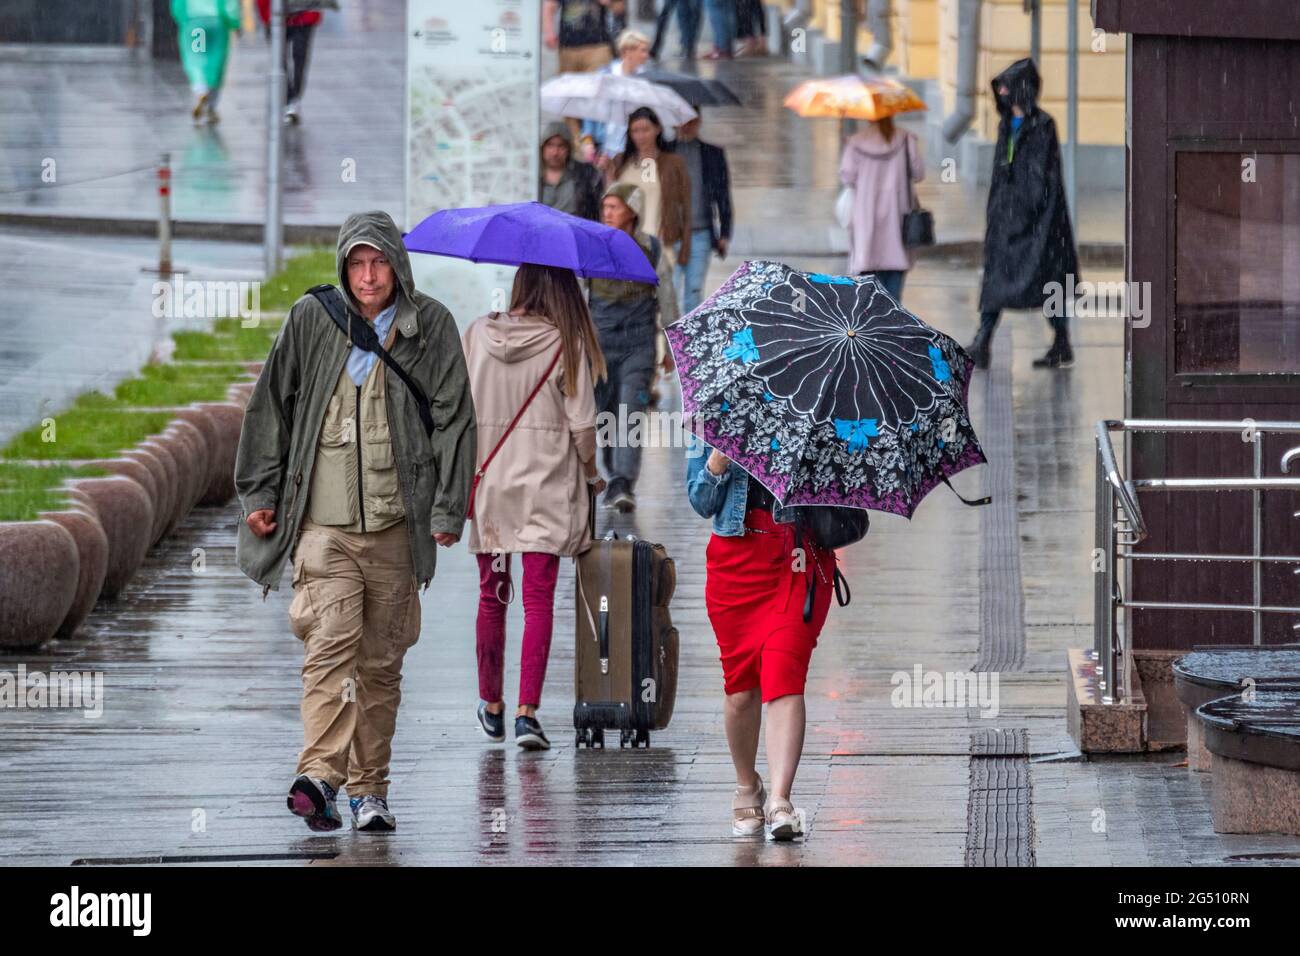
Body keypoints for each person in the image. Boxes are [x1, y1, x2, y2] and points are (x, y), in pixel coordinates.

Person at [234, 210, 477, 833]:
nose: (369, 277)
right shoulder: (313, 320)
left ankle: (370, 790)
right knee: (329, 648)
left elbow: (455, 421)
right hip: (324, 528)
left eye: (379, 263)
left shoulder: (432, 328)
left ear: (398, 265)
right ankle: (318, 776)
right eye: (357, 264)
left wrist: (448, 509)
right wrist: (260, 491)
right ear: (343, 267)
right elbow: (272, 406)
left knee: (379, 665)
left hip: (398, 529)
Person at [462, 265, 607, 751]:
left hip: (491, 486)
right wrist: (592, 475)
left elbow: (457, 413)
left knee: (492, 596)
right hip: (545, 487)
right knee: (538, 600)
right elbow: (583, 427)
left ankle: (491, 704)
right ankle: (527, 714)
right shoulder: (567, 342)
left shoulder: (478, 334)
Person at [685, 437, 836, 841]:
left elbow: (847, 486)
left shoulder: (824, 399)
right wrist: (717, 461)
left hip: (798, 555)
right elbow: (699, 501)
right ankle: (746, 784)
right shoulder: (718, 407)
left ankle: (781, 800)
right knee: (741, 690)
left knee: (785, 673)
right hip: (735, 559)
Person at [969, 57, 1079, 370]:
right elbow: (1001, 172)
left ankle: (1061, 342)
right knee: (996, 280)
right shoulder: (1007, 125)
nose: (1002, 92)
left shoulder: (1042, 125)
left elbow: (1040, 177)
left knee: (1047, 283)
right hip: (1005, 220)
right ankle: (983, 339)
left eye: (1007, 86)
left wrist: (1024, 207)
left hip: (1038, 225)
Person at [588, 183, 663, 513]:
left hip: (639, 345)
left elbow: (668, 295)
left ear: (633, 212)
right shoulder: (592, 248)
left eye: (614, 207)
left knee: (630, 412)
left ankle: (622, 480)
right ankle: (612, 471)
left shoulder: (652, 250)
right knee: (603, 413)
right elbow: (580, 295)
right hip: (600, 347)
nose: (607, 213)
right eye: (605, 207)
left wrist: (672, 347)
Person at [611, 107, 690, 368]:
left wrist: (683, 241)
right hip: (626, 244)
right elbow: (610, 198)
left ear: (657, 129)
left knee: (664, 302)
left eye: (645, 129)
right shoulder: (621, 163)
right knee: (635, 305)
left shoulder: (672, 163)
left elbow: (685, 204)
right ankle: (644, 367)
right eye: (635, 130)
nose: (641, 135)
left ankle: (659, 359)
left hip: (658, 244)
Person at [838, 115, 924, 301]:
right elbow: (918, 173)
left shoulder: (855, 143)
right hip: (898, 222)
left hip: (866, 224)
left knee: (867, 295)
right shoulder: (906, 139)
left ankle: (870, 326)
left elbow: (847, 177)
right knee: (893, 298)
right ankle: (891, 325)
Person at [672, 115, 733, 316]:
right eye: (681, 121)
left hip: (701, 232)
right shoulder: (663, 152)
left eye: (690, 121)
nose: (685, 126)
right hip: (670, 234)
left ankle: (686, 340)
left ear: (698, 123)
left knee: (694, 291)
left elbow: (722, 195)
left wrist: (724, 233)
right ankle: (670, 338)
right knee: (668, 291)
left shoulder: (712, 154)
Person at [581, 29, 653, 159]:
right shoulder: (605, 75)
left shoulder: (646, 80)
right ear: (627, 51)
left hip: (632, 149)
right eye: (642, 51)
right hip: (605, 148)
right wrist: (587, 141)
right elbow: (590, 112)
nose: (646, 55)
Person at [170, 0, 241, 125]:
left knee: (196, 57)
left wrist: (182, 19)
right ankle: (211, 105)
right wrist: (234, 23)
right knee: (216, 61)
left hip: (194, 21)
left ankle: (201, 89)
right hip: (217, 22)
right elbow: (230, 4)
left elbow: (177, 4)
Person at [256, 0, 323, 124]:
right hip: (276, 17)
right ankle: (291, 99)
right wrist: (267, 17)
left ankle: (293, 100)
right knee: (281, 61)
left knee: (299, 57)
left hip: (302, 16)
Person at [539, 122, 604, 221]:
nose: (555, 152)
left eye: (561, 146)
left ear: (569, 149)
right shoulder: (532, 175)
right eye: (550, 145)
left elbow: (597, 211)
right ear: (542, 147)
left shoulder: (586, 174)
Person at [544, 0, 613, 73]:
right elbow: (550, 5)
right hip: (568, 48)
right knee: (568, 83)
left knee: (596, 82)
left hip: (597, 46)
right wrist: (549, 32)